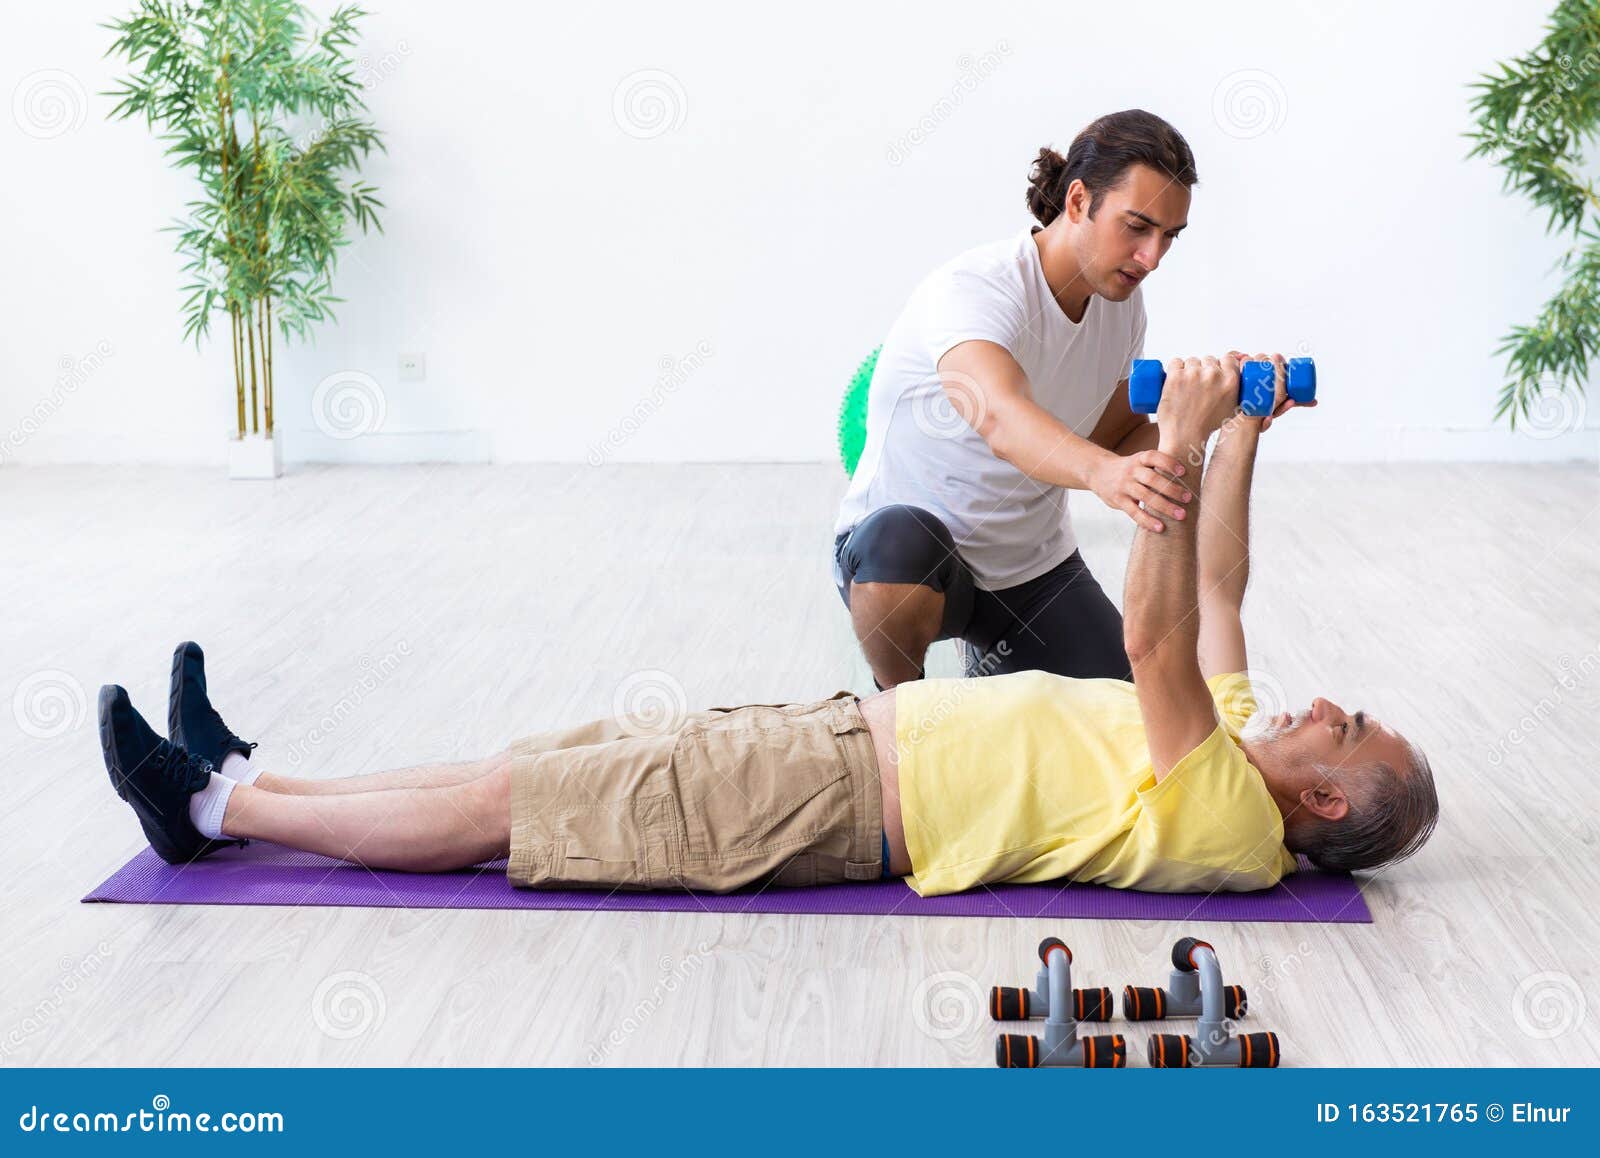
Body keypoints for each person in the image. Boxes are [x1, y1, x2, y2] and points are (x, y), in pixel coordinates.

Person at [99, 358, 1437, 897]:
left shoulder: (1231, 819)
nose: (1331, 703)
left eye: (1352, 727)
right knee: (528, 761)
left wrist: (1179, 446)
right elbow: (1216, 597)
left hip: (830, 800)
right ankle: (238, 775)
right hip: (843, 740)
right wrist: (1247, 430)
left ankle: (215, 815)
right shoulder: (1252, 743)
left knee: (520, 804)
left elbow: (1152, 642)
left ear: (1324, 798)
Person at [834, 108, 1216, 690]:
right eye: (1137, 227)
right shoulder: (976, 288)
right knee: (901, 543)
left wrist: (1209, 414)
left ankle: (995, 680)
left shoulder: (1122, 306)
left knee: (1130, 723)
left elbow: (1107, 440)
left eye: (1169, 237)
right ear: (1080, 201)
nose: (1152, 258)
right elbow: (1002, 419)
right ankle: (896, 709)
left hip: (1030, 571)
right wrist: (1106, 477)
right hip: (910, 561)